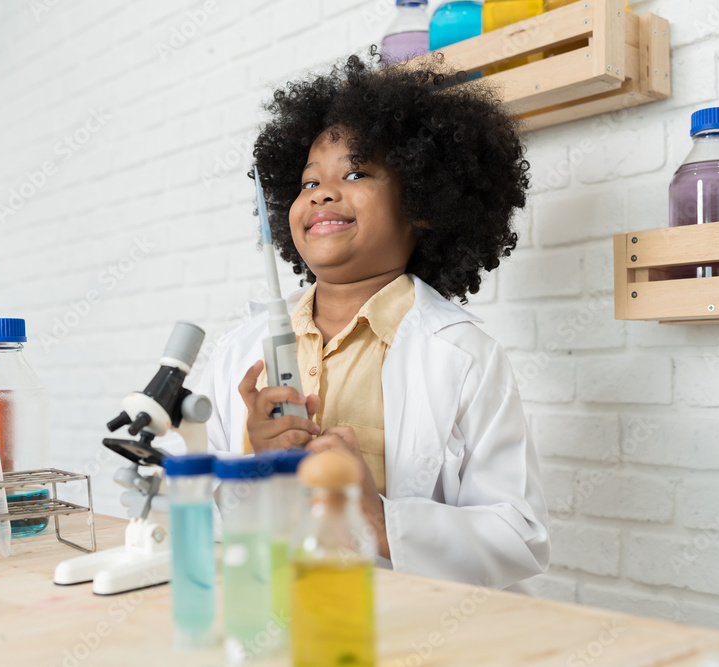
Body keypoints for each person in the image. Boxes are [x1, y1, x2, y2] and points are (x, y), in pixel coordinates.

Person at [196, 53, 549, 591]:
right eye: (308, 180)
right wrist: (254, 470)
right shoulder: (239, 351)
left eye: (356, 172)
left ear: (425, 204)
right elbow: (187, 501)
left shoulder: (463, 356)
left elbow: (520, 538)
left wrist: (379, 517)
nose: (321, 192)